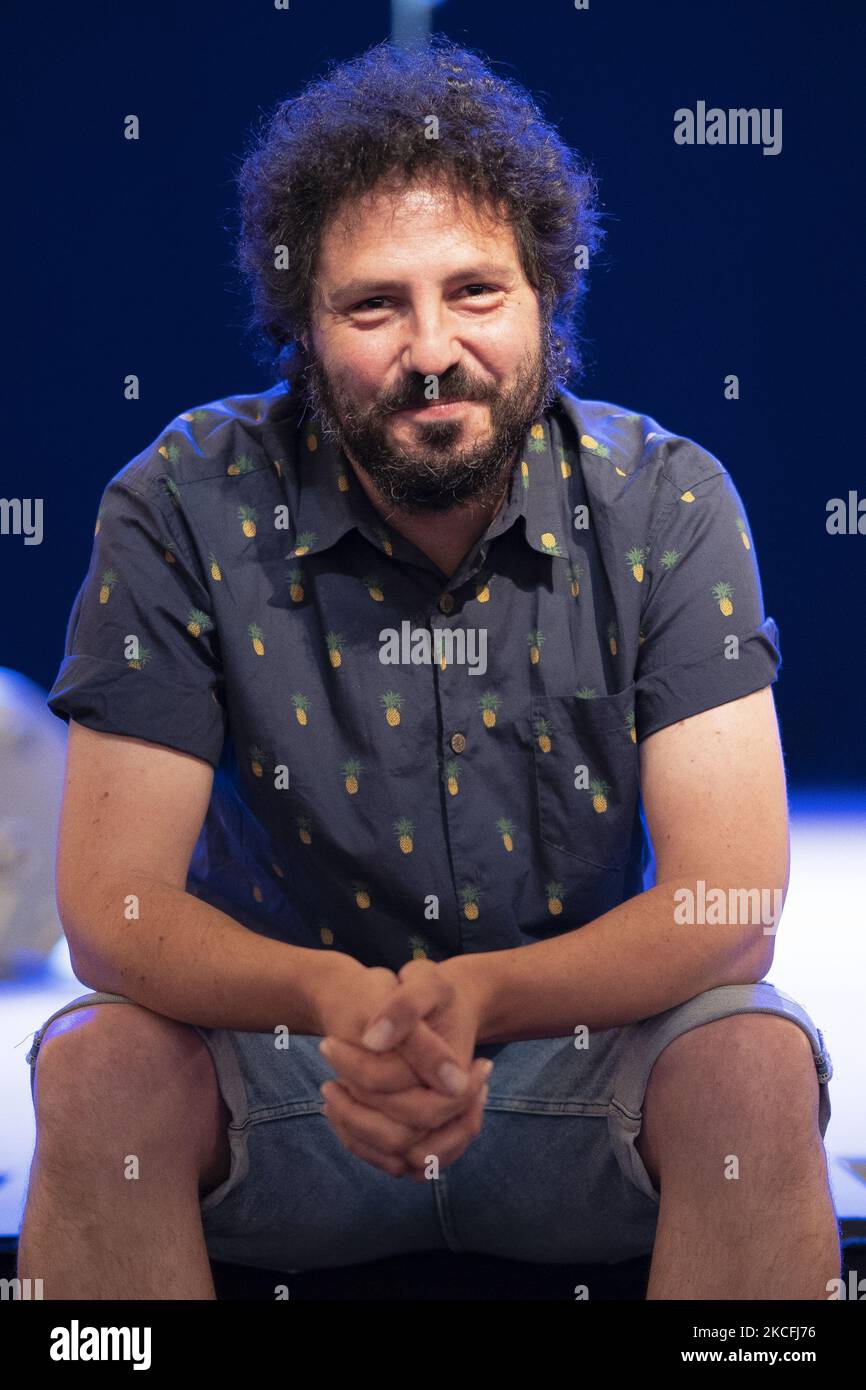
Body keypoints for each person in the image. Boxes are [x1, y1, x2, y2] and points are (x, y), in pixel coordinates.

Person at [19, 37, 837, 1300]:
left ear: (544, 298)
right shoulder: (180, 501)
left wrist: (474, 998)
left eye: (474, 292)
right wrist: (333, 1001)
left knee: (754, 1061)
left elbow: (730, 904)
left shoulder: (666, 499)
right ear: (302, 322)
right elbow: (109, 914)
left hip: (581, 1073)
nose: (432, 349)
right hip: (286, 1075)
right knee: (93, 1064)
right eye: (372, 306)